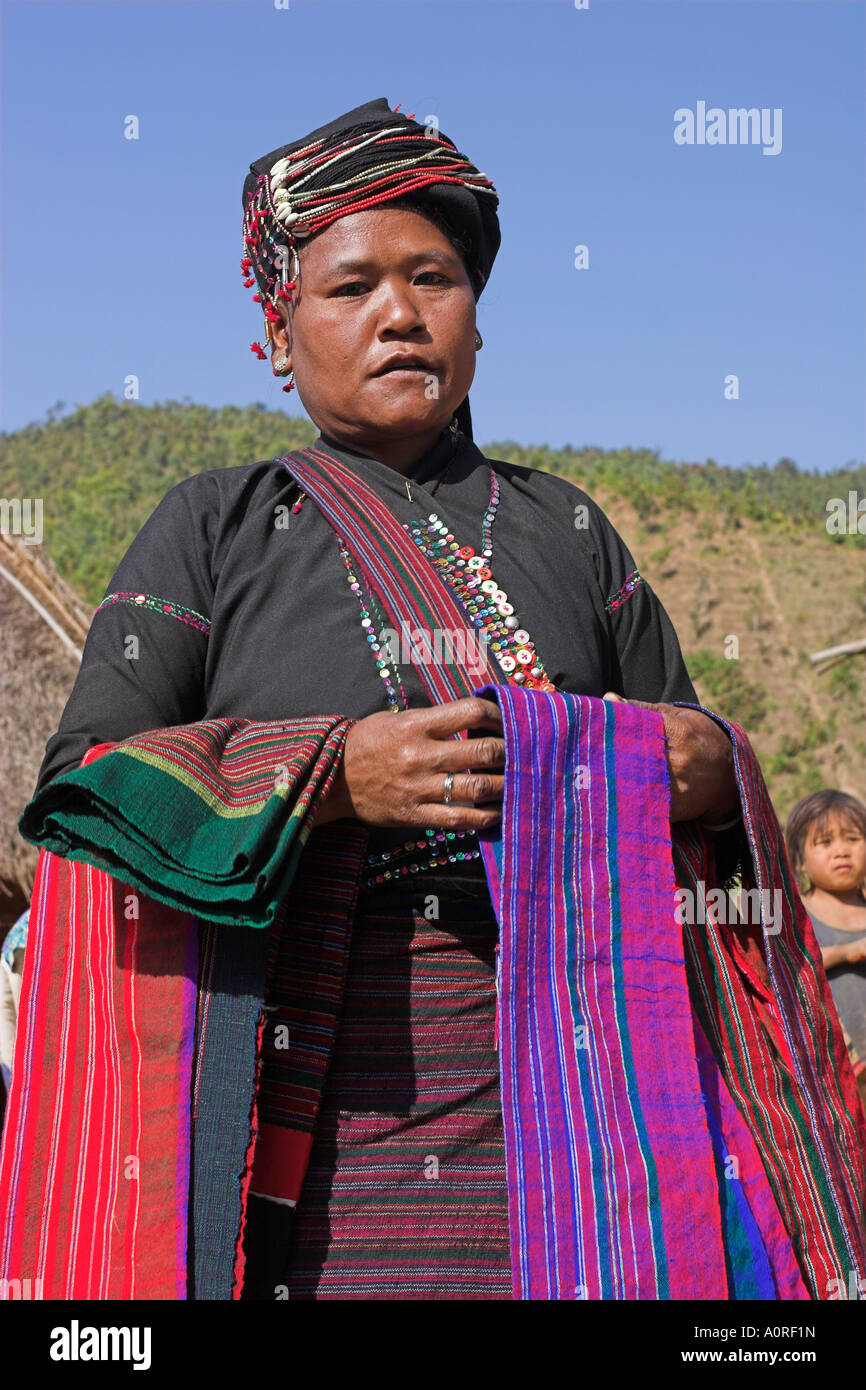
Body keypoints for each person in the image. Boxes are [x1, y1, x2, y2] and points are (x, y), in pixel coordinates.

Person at [4, 98, 864, 1302]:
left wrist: (716, 771)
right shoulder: (214, 527)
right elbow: (87, 788)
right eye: (351, 286)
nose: (400, 312)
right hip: (306, 1127)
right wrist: (328, 777)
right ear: (276, 332)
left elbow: (690, 769)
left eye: (435, 277)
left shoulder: (569, 530)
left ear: (476, 318)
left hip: (588, 1130)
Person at [786, 789, 866, 1113]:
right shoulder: (797, 917)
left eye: (852, 838)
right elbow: (787, 969)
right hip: (834, 1081)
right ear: (800, 861)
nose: (841, 852)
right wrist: (847, 952)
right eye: (825, 842)